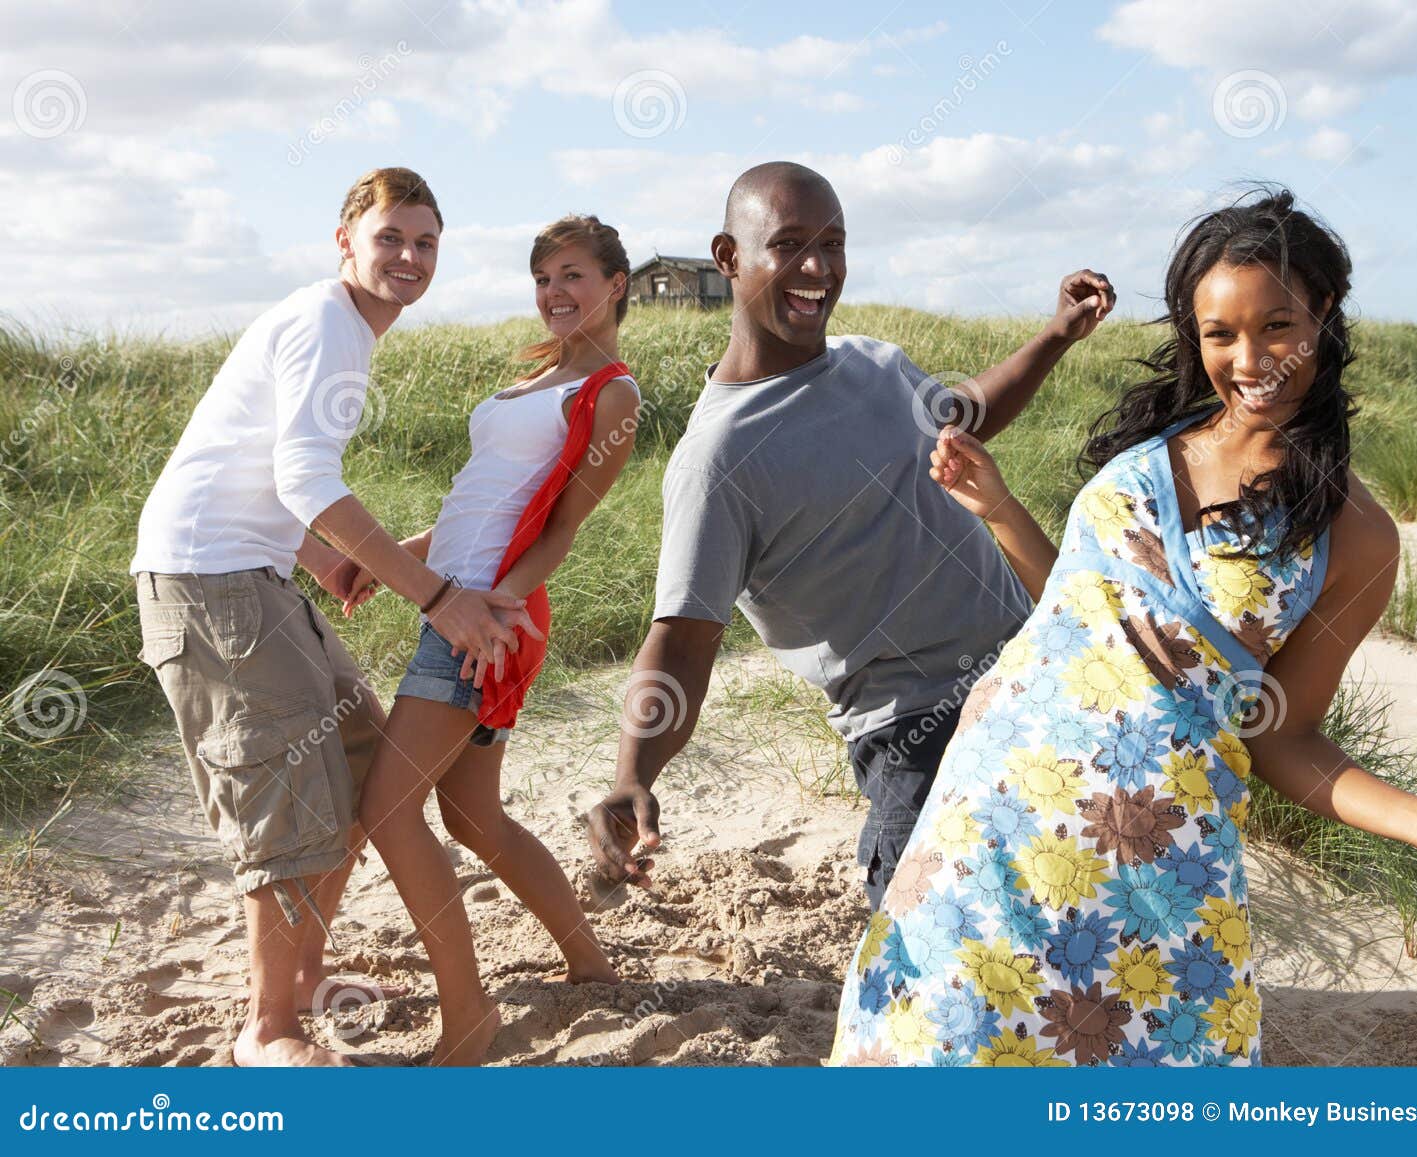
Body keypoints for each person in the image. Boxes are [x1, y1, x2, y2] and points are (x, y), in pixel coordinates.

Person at [826, 188, 1417, 1067]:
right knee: (933, 1050)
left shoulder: (1355, 533)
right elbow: (1082, 608)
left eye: (1277, 325)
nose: (1251, 359)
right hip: (990, 815)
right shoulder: (1163, 441)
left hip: (1148, 861)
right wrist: (999, 508)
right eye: (1220, 334)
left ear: (1324, 311)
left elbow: (1282, 735)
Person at [584, 161, 1116, 911]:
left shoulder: (873, 361)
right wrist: (633, 773)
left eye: (833, 243)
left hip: (1031, 676)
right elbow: (681, 638)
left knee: (1078, 909)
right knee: (926, 958)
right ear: (729, 257)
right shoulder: (718, 456)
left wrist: (1058, 333)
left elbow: (963, 417)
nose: (818, 267)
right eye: (789, 243)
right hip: (919, 732)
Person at [130, 167, 533, 1067]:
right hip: (211, 583)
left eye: (426, 242)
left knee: (360, 766)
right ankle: (269, 1027)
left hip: (254, 573)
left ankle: (307, 974)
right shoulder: (327, 322)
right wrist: (437, 597)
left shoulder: (338, 327)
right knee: (281, 796)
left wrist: (320, 557)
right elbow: (305, 477)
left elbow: (263, 465)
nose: (409, 256)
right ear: (345, 241)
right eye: (390, 237)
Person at [353, 215, 637, 1066]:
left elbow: (558, 533)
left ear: (617, 283)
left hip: (486, 619)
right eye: (544, 277)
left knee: (386, 808)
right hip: (452, 599)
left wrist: (493, 611)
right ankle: (591, 963)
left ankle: (469, 1018)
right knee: (473, 818)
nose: (555, 293)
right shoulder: (538, 375)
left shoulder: (610, 393)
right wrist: (397, 559)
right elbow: (477, 503)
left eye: (573, 275)